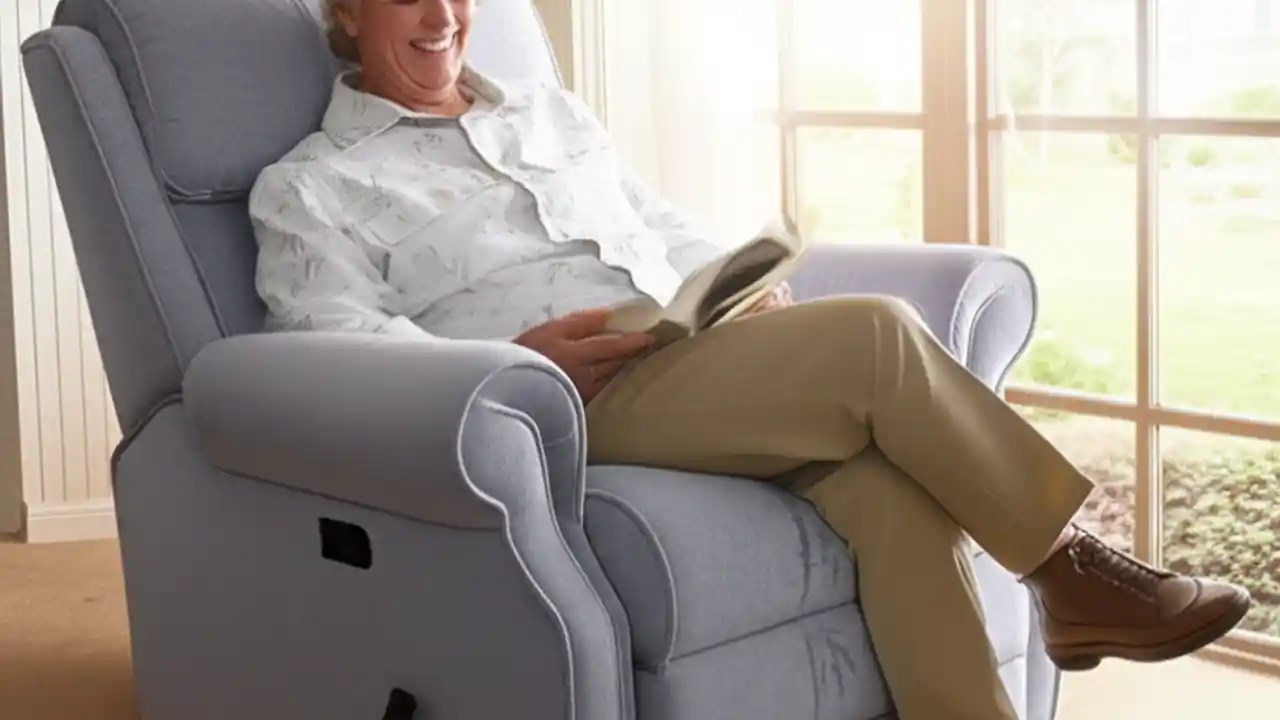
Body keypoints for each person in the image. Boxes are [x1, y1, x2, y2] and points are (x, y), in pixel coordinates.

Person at [249, 1, 1251, 717]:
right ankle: (1072, 574)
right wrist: (503, 358)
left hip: (683, 357)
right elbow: (330, 343)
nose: (442, 16)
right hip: (559, 403)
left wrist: (735, 282)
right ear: (347, 12)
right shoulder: (314, 185)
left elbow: (656, 225)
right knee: (874, 332)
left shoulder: (547, 115)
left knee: (891, 497)